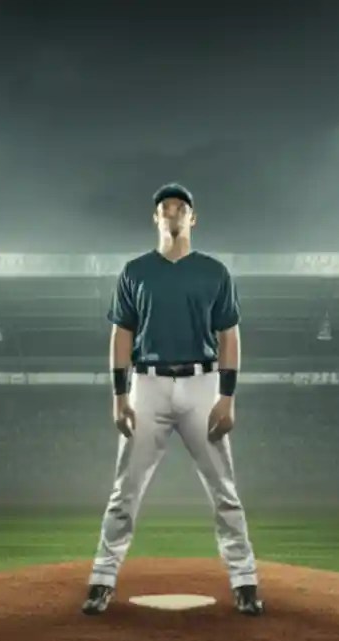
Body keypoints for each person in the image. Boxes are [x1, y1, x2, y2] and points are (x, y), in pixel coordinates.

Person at [81, 182, 264, 617]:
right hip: (148, 383)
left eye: (181, 207)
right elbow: (121, 334)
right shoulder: (135, 271)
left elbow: (229, 335)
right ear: (156, 218)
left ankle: (245, 581)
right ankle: (102, 580)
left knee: (224, 489)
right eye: (166, 207)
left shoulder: (215, 272)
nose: (174, 212)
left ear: (193, 218)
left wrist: (228, 395)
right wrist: (119, 394)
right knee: (125, 490)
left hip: (202, 382)